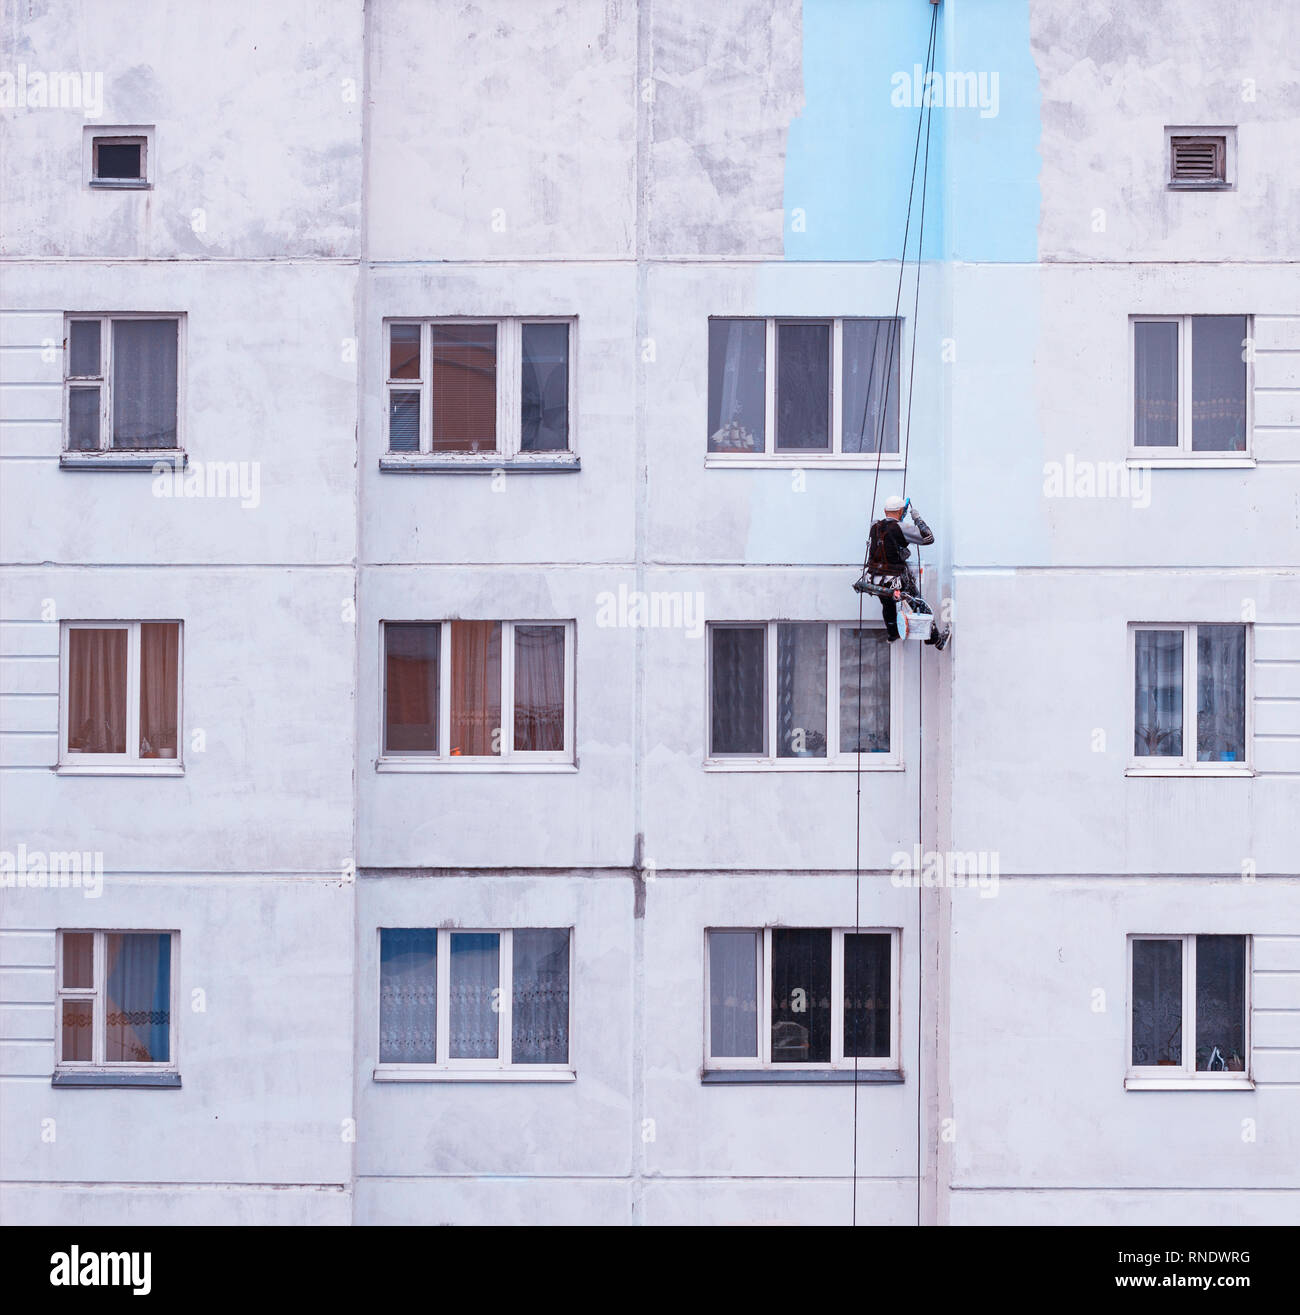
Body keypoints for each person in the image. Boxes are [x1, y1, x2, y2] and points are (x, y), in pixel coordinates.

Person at [854, 495, 950, 649]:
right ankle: (936, 640)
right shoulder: (902, 528)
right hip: (895, 579)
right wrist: (917, 519)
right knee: (919, 604)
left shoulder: (874, 526)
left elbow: (888, 536)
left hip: (875, 578)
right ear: (900, 511)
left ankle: (893, 633)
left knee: (887, 604)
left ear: (885, 510)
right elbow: (928, 538)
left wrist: (899, 518)